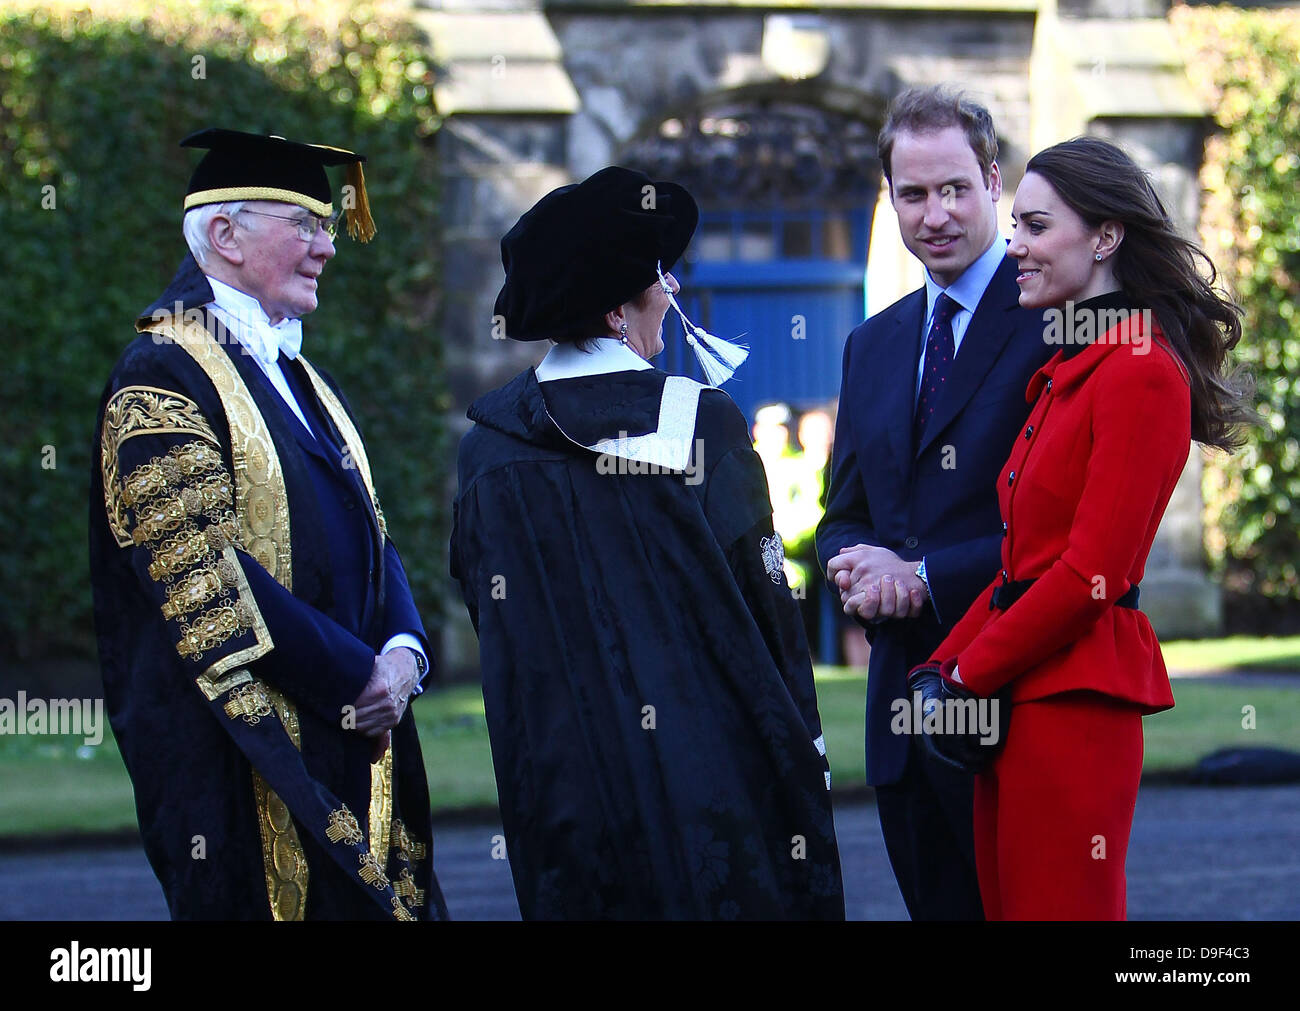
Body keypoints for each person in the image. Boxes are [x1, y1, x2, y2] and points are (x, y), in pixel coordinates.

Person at [450, 166, 844, 920]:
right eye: (658, 276)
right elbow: (767, 608)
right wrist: (803, 747)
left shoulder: (487, 448)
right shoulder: (701, 424)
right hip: (706, 777)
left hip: (561, 788)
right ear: (614, 311)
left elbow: (489, 610)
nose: (670, 289)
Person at [89, 128, 448, 921]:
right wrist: (354, 676)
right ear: (225, 234)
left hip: (359, 732)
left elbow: (372, 532)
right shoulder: (160, 372)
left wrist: (402, 650)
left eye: (327, 226)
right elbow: (202, 570)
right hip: (245, 755)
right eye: (306, 224)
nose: (327, 246)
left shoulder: (302, 375)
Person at [912, 136, 1253, 919]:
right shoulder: (1073, 366)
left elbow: (1091, 574)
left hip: (1073, 704)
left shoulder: (1139, 371)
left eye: (1035, 226)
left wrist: (966, 676)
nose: (1015, 246)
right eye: (1016, 226)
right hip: (1022, 694)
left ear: (1105, 238)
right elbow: (1020, 567)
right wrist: (942, 662)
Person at [815, 86, 1056, 920]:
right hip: (902, 723)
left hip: (1017, 708)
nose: (936, 214)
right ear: (892, 199)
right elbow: (842, 515)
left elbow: (1065, 535)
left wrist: (922, 577)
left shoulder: (1055, 320)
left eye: (955, 188)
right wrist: (857, 568)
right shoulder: (871, 343)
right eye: (914, 194)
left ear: (993, 181)